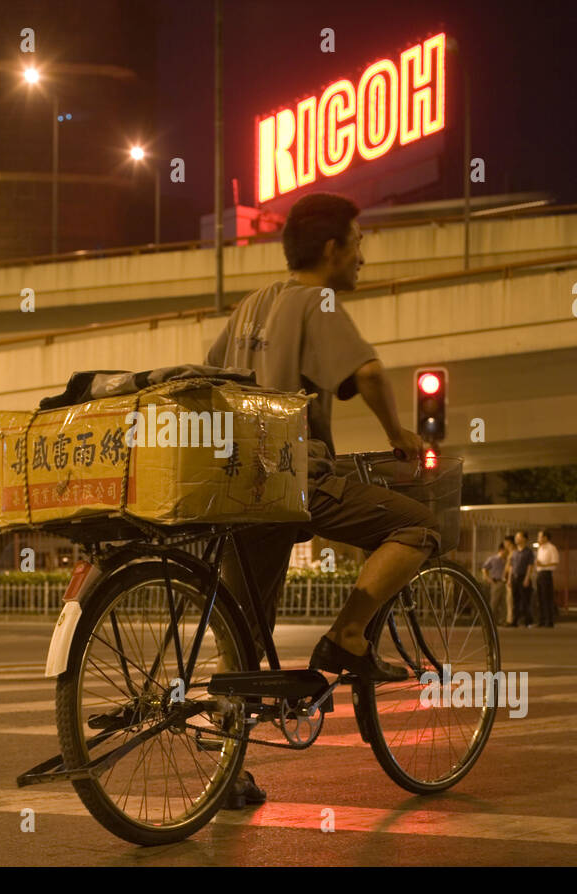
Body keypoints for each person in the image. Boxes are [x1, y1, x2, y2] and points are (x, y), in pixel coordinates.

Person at [205, 192, 439, 806]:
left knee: (244, 630)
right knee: (420, 526)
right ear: (332, 249)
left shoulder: (252, 304)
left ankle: (226, 777)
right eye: (358, 243)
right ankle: (349, 636)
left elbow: (207, 377)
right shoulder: (319, 299)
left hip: (237, 485)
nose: (362, 256)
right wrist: (398, 435)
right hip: (294, 480)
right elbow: (365, 373)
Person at [509, 530, 535, 627]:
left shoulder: (528, 552)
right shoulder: (514, 552)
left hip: (523, 577)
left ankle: (528, 621)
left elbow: (530, 566)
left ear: (524, 539)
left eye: (518, 537)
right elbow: (511, 566)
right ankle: (514, 621)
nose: (516, 539)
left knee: (525, 600)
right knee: (515, 601)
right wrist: (509, 580)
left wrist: (527, 578)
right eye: (516, 537)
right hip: (514, 578)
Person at [535, 529, 559, 627]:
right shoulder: (540, 548)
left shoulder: (551, 548)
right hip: (539, 573)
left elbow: (555, 562)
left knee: (547, 598)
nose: (538, 539)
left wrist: (543, 565)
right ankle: (542, 620)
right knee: (540, 598)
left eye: (540, 536)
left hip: (547, 574)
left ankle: (549, 621)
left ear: (545, 537)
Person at [481, 542, 508, 624]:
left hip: (505, 583)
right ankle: (491, 621)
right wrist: (487, 578)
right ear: (501, 550)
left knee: (504, 604)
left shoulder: (507, 560)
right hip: (496, 582)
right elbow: (484, 568)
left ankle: (503, 620)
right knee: (494, 602)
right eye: (506, 550)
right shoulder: (493, 559)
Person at [502, 537, 516, 625]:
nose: (504, 545)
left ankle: (510, 620)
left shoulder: (513, 553)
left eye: (505, 543)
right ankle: (509, 619)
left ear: (509, 542)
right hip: (508, 578)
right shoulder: (510, 553)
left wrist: (509, 579)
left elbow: (511, 567)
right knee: (508, 600)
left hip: (510, 579)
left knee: (510, 600)